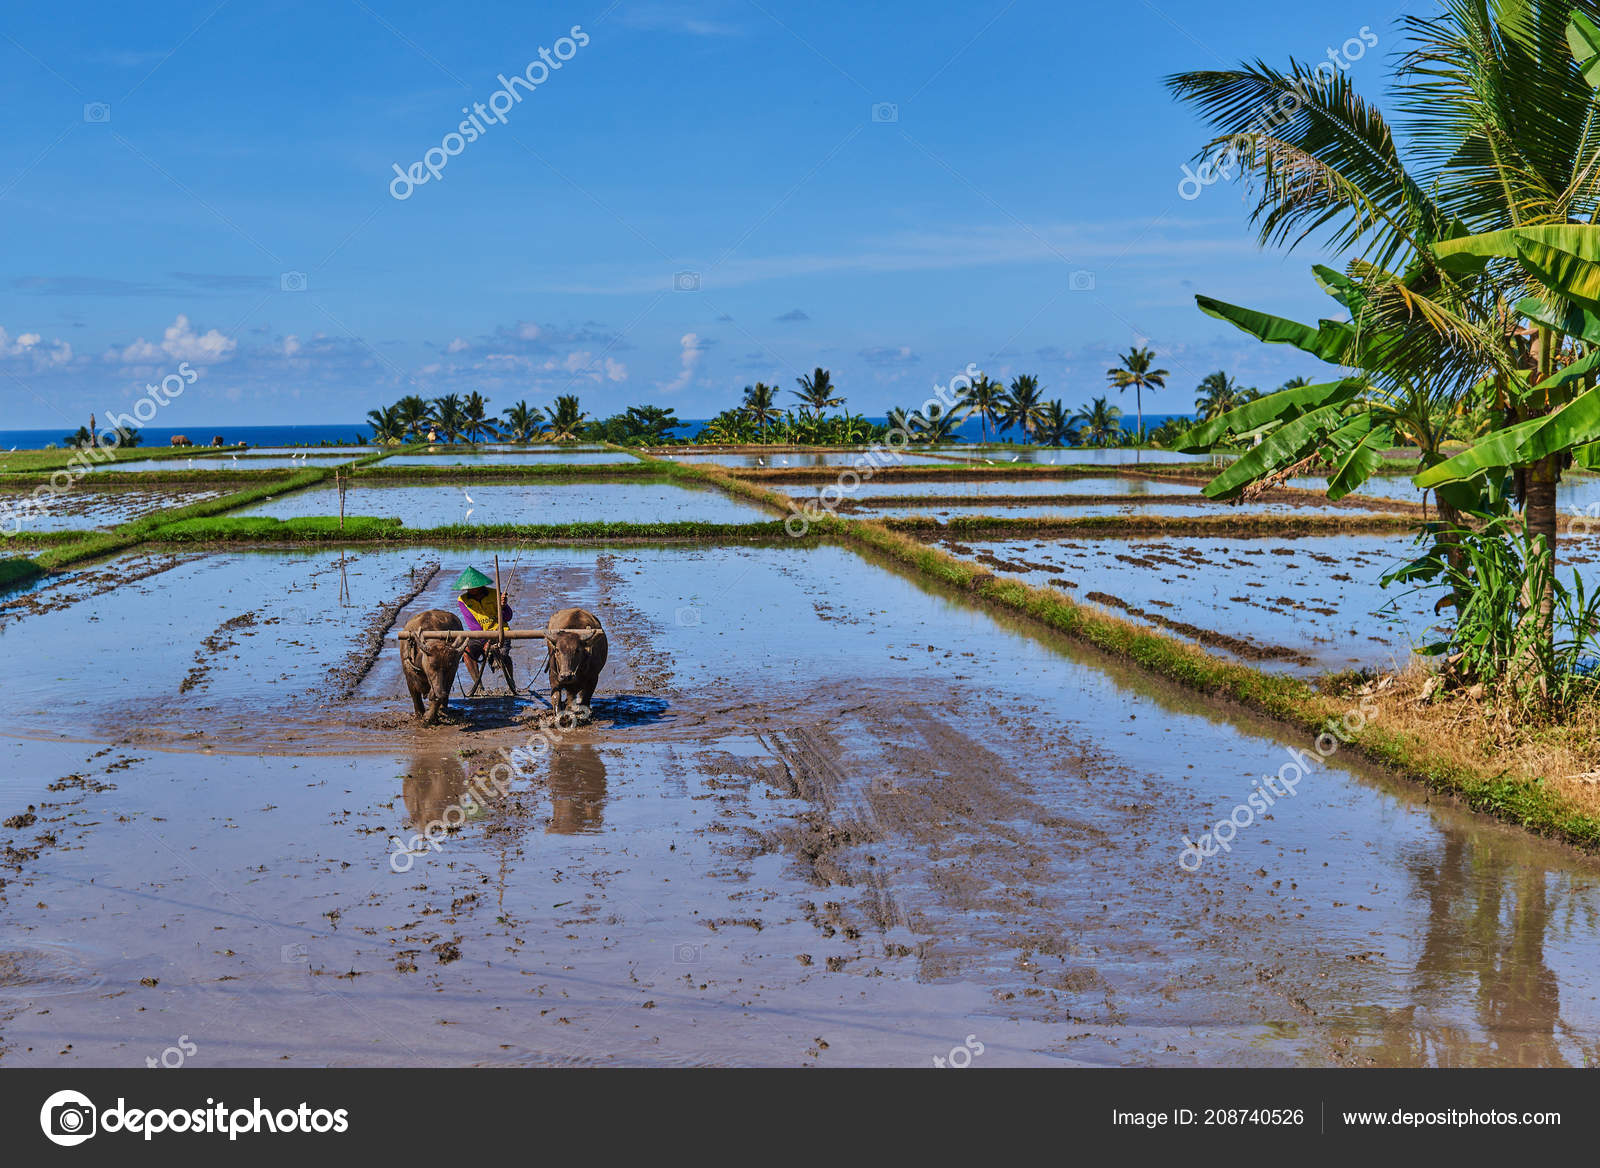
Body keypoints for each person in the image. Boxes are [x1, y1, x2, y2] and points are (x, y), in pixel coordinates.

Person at [453, 567, 516, 696]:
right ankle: (479, 686)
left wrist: (503, 607)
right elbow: (473, 625)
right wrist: (486, 641)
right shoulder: (462, 600)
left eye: (473, 587)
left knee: (502, 656)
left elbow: (508, 617)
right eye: (468, 588)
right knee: (467, 653)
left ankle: (511, 682)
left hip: (500, 631)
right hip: (479, 634)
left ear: (481, 585)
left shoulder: (496, 594)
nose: (470, 589)